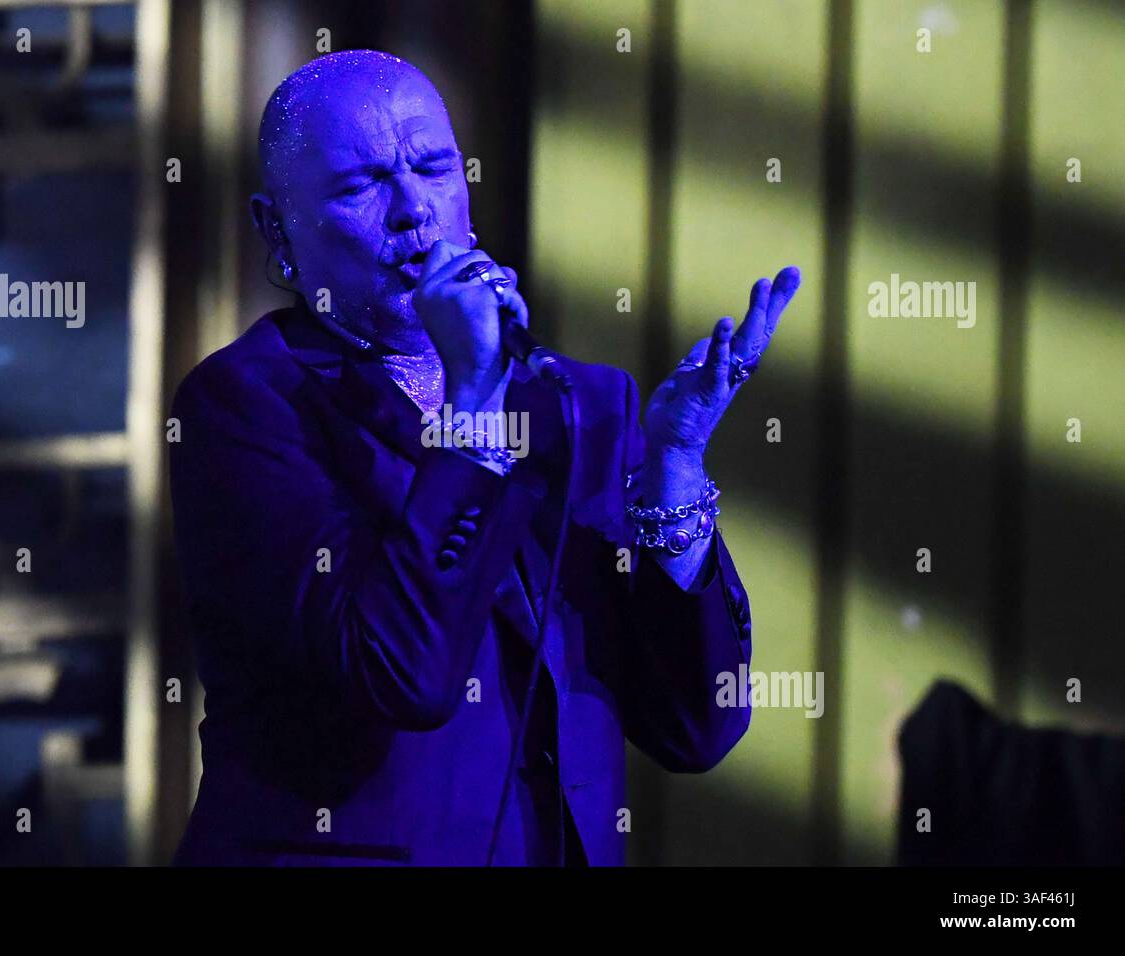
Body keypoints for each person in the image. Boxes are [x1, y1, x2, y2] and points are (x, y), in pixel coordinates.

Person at [169, 49, 801, 866]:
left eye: (432, 167)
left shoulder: (580, 404)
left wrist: (674, 463)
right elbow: (401, 673)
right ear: (276, 229)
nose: (412, 212)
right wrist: (471, 409)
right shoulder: (245, 408)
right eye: (361, 186)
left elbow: (695, 726)